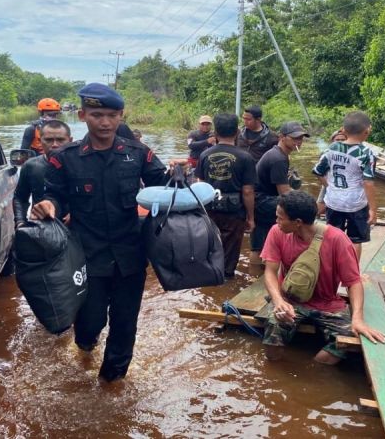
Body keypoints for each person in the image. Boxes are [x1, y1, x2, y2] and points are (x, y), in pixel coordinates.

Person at [31, 83, 187, 382]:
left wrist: (178, 175)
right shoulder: (64, 157)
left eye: (112, 115)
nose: (105, 123)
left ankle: (111, 382)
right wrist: (47, 205)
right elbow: (54, 195)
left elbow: (162, 187)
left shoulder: (138, 153)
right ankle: (85, 348)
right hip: (87, 257)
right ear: (82, 115)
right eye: (97, 115)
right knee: (90, 322)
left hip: (130, 256)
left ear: (121, 116)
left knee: (125, 324)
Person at [262, 191, 385, 364]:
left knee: (348, 337)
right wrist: (278, 301)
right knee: (274, 328)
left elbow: (353, 282)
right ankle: (280, 371)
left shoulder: (337, 239)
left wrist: (357, 318)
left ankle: (313, 370)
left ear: (297, 223)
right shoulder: (276, 232)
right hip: (290, 300)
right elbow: (269, 271)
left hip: (328, 304)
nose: (276, 222)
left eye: (280, 218)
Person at [195, 113, 257, 278]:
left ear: (215, 133)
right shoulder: (246, 157)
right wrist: (251, 217)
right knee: (230, 253)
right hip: (234, 213)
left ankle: (208, 281)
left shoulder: (204, 155)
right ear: (237, 132)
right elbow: (248, 191)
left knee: (210, 246)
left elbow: (200, 184)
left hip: (210, 209)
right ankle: (226, 284)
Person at [312, 112, 377, 260]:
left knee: (333, 236)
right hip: (356, 203)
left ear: (343, 130)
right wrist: (373, 209)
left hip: (334, 201)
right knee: (355, 240)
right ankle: (353, 274)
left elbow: (318, 171)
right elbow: (368, 183)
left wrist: (330, 186)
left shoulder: (332, 148)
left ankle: (332, 269)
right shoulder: (366, 154)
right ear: (367, 131)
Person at [250, 121, 309, 266]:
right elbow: (284, 193)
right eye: (295, 138)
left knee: (259, 241)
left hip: (261, 199)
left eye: (301, 138)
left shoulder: (278, 153)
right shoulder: (278, 159)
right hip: (263, 201)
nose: (299, 142)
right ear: (282, 137)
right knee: (299, 212)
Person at [12, 120, 72, 229]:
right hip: (42, 226)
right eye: (48, 140)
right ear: (40, 141)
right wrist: (20, 222)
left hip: (74, 226)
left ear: (70, 140)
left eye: (60, 140)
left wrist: (78, 214)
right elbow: (20, 198)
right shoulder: (31, 166)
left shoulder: (80, 165)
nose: (54, 145)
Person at [316, 129, 347, 217]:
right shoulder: (327, 154)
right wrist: (329, 187)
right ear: (332, 141)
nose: (340, 142)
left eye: (343, 140)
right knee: (319, 208)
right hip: (329, 184)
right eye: (337, 140)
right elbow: (319, 173)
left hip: (346, 186)